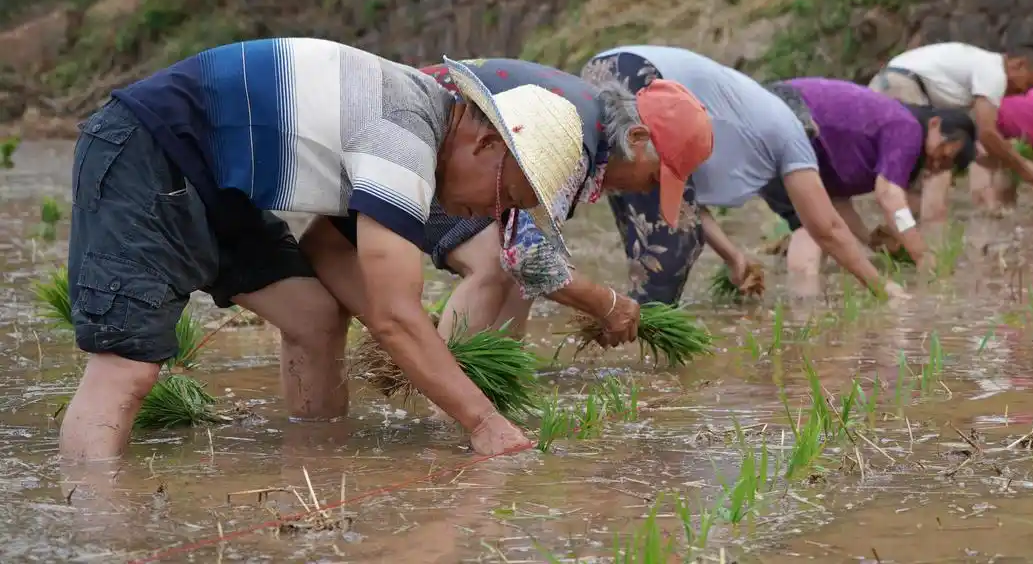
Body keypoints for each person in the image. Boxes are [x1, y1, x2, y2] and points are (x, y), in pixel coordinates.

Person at [61, 39, 584, 462]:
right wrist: (484, 421)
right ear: (486, 144)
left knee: (313, 314)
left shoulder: (420, 121)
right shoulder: (404, 139)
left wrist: (413, 346)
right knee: (126, 366)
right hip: (145, 149)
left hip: (217, 182)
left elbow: (327, 250)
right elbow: (393, 316)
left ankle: (314, 459)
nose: (487, 217)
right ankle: (96, 525)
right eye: (504, 198)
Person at [299, 58, 714, 345]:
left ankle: (486, 373)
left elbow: (535, 256)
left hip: (394, 138)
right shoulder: (572, 135)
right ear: (638, 140)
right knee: (495, 263)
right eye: (656, 177)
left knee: (514, 267)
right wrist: (608, 304)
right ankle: (449, 395)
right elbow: (527, 256)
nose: (646, 190)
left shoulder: (589, 118)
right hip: (419, 146)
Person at [582, 46, 909, 304]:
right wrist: (882, 287)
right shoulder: (790, 133)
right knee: (672, 248)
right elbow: (826, 227)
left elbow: (686, 208)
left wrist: (734, 258)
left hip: (605, 71)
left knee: (654, 245)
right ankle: (643, 340)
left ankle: (629, 329)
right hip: (636, 75)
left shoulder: (734, 127)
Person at [699, 78, 975, 292]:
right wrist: (922, 254)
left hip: (775, 115)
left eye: (946, 165)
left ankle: (805, 304)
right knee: (808, 226)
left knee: (816, 223)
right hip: (784, 114)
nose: (938, 161)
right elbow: (891, 197)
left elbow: (838, 205)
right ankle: (803, 311)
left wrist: (870, 240)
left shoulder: (880, 141)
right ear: (935, 124)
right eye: (945, 151)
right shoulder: (908, 130)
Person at [868, 42, 1033, 216]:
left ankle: (898, 232)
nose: (1024, 92)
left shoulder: (977, 70)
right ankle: (911, 234)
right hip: (902, 86)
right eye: (1030, 85)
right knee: (923, 173)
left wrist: (994, 158)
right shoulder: (994, 72)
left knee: (902, 175)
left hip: (888, 83)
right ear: (1019, 65)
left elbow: (978, 139)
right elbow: (988, 134)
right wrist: (1023, 167)